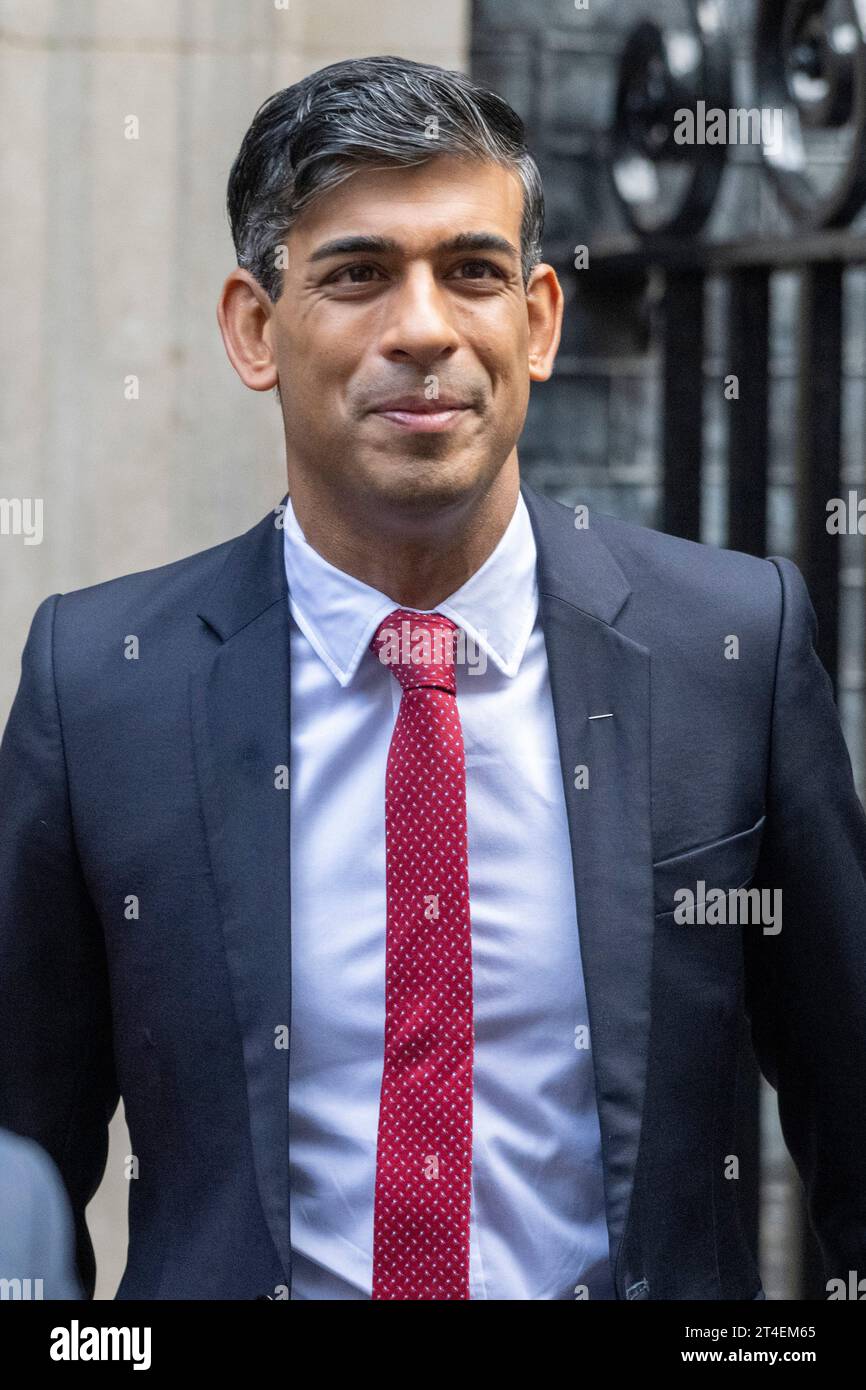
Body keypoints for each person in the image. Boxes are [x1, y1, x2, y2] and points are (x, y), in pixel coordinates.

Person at [1, 54, 864, 1301]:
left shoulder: (727, 649)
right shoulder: (100, 686)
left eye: (471, 271)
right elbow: (24, 1156)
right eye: (356, 274)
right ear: (253, 328)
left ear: (539, 319)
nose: (422, 328)